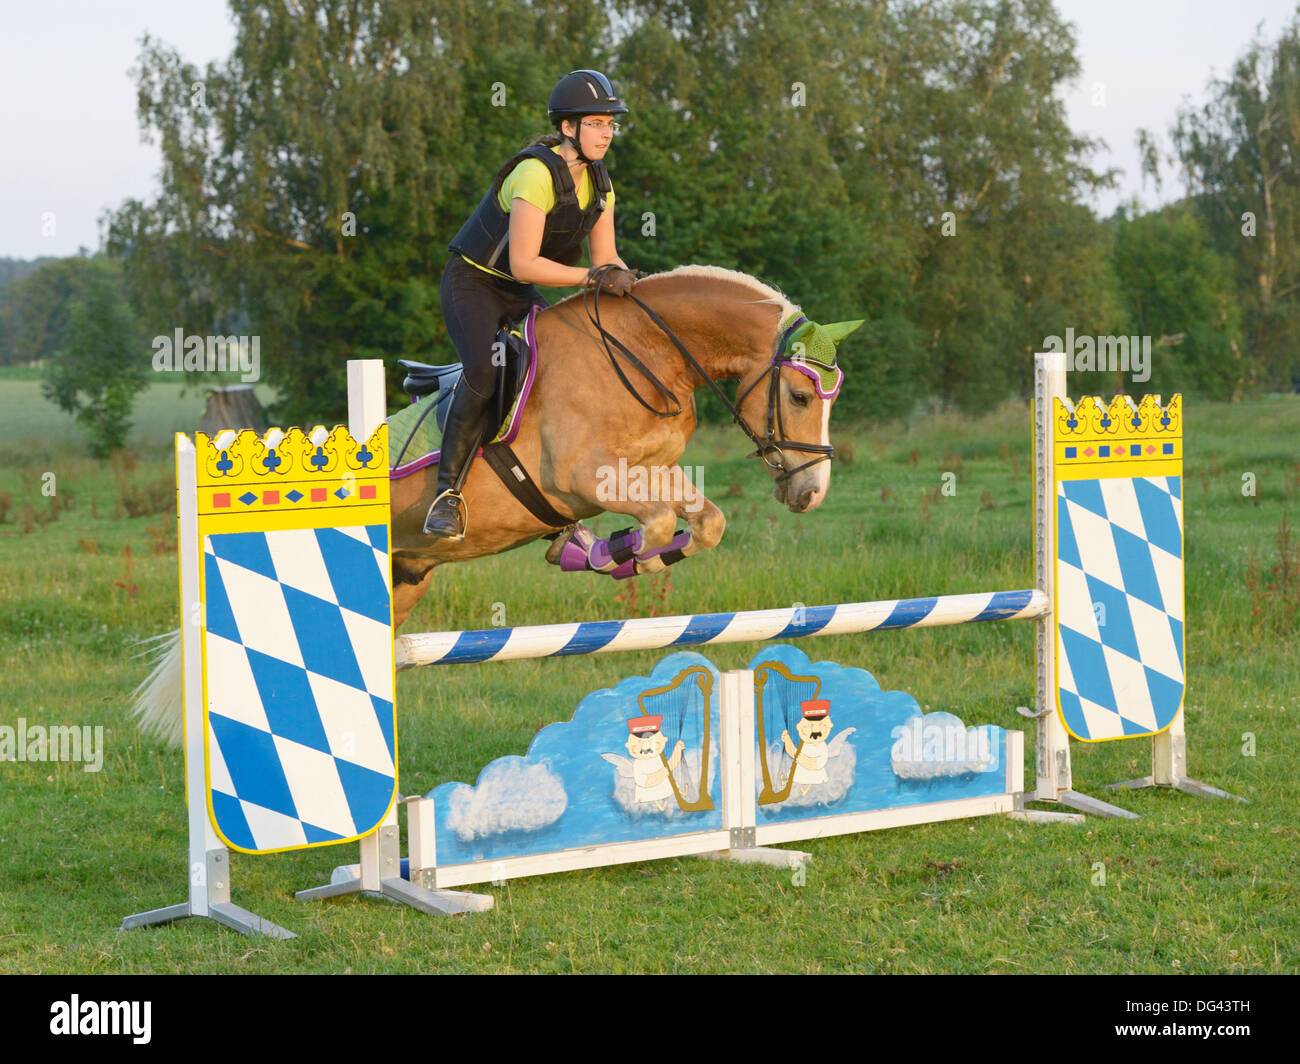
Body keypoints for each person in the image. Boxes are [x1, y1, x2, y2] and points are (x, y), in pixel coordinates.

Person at [424, 69, 641, 539]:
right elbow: (523, 263)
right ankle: (447, 495)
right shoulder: (534, 173)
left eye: (611, 124)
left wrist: (634, 288)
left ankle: (550, 493)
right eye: (597, 122)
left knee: (566, 366)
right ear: (569, 128)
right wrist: (592, 278)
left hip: (518, 293)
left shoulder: (601, 186)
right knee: (484, 373)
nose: (607, 133)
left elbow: (606, 260)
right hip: (474, 283)